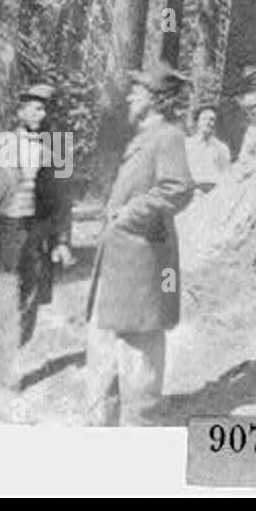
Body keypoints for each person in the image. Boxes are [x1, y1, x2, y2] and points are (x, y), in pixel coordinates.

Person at [85, 62, 194, 426]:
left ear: (155, 99)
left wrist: (129, 214)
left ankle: (138, 432)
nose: (130, 96)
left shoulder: (169, 136)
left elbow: (178, 189)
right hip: (121, 261)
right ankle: (102, 426)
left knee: (140, 349)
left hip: (144, 263)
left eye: (138, 90)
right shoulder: (143, 138)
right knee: (106, 342)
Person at [0, 82, 72, 408]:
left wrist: (62, 239)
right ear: (21, 110)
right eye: (36, 107)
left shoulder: (57, 146)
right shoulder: (1, 142)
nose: (43, 114)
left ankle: (7, 368)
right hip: (5, 231)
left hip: (35, 232)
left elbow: (62, 199)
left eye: (47, 109)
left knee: (28, 300)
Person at [184, 105, 231, 192]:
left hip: (214, 194)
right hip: (190, 192)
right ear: (197, 122)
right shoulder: (186, 145)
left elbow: (226, 176)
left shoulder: (222, 149)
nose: (208, 122)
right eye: (204, 119)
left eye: (212, 119)